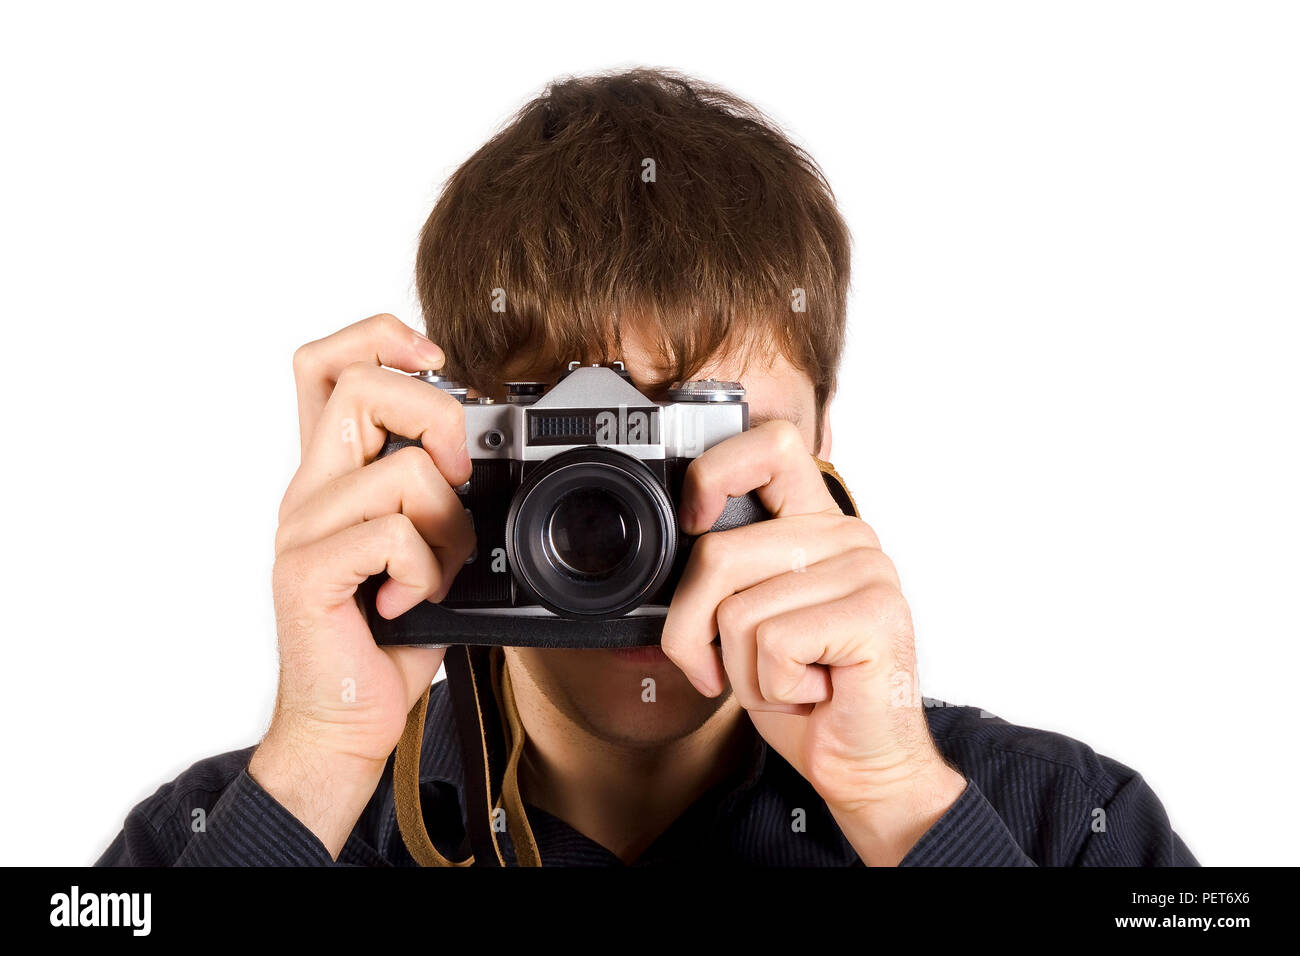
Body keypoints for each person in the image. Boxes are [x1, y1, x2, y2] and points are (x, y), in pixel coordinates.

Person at [97, 68, 1195, 867]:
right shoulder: (220, 836)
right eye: (576, 461)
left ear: (817, 453)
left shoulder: (1064, 827)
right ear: (452, 455)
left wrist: (904, 808)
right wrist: (320, 761)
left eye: (701, 444)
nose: (630, 525)